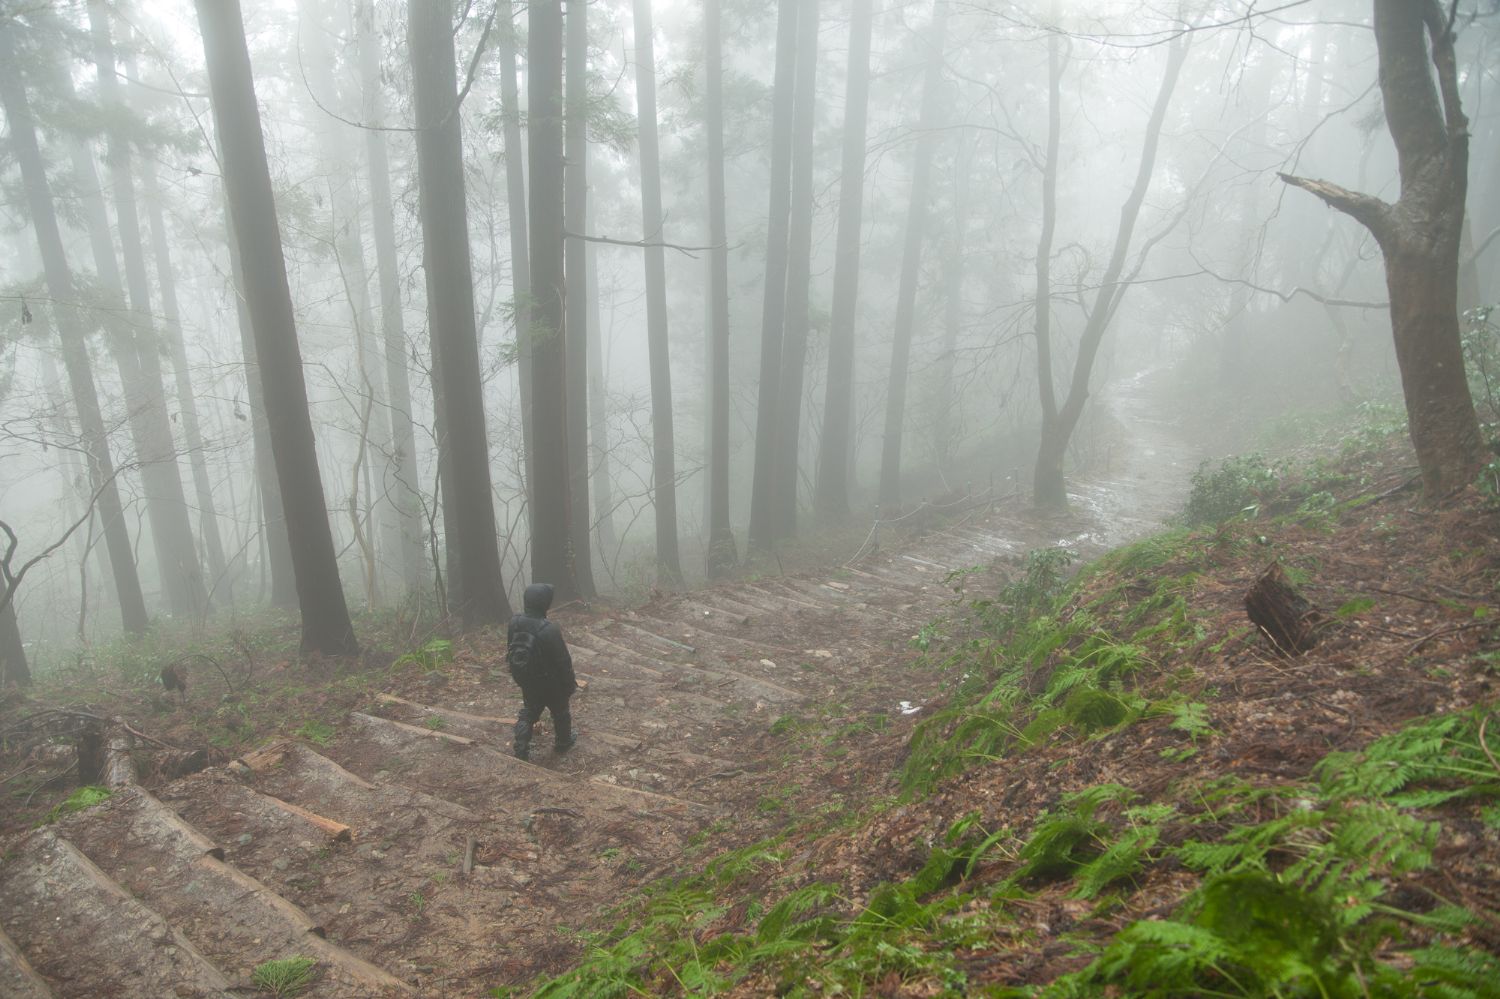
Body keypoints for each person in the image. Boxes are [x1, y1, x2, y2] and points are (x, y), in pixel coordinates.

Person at [506, 583, 578, 761]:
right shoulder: (549, 629)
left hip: (527, 679)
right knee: (561, 712)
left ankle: (521, 747)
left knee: (529, 712)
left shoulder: (514, 622)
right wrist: (569, 684)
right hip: (551, 682)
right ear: (545, 604)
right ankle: (563, 742)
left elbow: (510, 648)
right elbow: (563, 661)